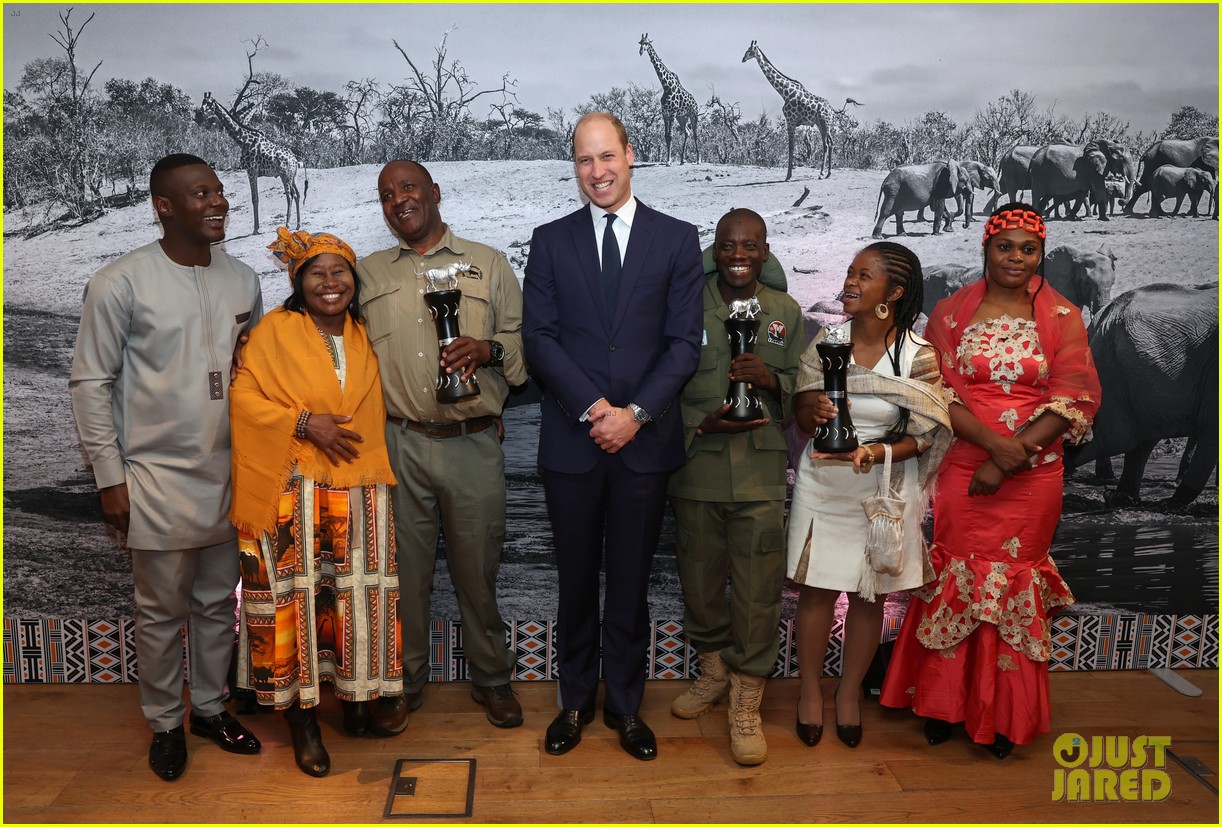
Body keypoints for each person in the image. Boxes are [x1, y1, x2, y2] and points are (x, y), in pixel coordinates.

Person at [880, 203, 1101, 759]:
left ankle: (1003, 713)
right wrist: (991, 446)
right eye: (1007, 247)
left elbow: (1074, 395)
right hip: (962, 467)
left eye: (1029, 249)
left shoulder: (1063, 317)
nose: (1017, 258)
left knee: (1012, 581)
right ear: (987, 248)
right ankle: (943, 704)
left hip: (1033, 475)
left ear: (1041, 254)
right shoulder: (951, 313)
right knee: (956, 572)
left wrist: (1009, 457)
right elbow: (938, 393)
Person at [68, 153, 263, 781]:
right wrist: (109, 478)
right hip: (152, 477)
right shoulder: (119, 282)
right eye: (200, 193)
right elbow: (90, 383)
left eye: (219, 191)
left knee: (215, 605)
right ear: (163, 206)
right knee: (159, 612)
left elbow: (254, 377)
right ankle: (163, 723)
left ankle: (207, 709)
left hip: (229, 475)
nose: (218, 202)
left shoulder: (243, 279)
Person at [523, 111, 704, 761]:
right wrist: (596, 407)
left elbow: (685, 345)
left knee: (629, 581)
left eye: (606, 156)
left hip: (645, 445)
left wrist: (635, 414)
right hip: (573, 445)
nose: (596, 171)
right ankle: (574, 700)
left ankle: (627, 705)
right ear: (574, 167)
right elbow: (538, 338)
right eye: (583, 160)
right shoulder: (549, 241)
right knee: (575, 579)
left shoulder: (679, 240)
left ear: (631, 155)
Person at [355, 159, 527, 734]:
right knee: (405, 575)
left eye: (407, 187)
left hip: (472, 444)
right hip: (398, 442)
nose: (397, 199)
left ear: (434, 191)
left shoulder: (490, 264)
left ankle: (492, 678)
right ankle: (403, 684)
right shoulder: (367, 274)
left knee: (479, 571)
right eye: (385, 194)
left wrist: (486, 350)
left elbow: (522, 356)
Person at [230, 228, 402, 777]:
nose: (330, 283)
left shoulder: (365, 332)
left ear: (354, 281)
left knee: (354, 595)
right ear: (297, 282)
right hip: (293, 489)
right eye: (316, 273)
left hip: (359, 485)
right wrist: (305, 424)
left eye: (339, 272)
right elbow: (243, 396)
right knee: (297, 600)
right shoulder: (273, 332)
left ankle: (355, 698)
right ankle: (301, 721)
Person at [787, 242, 951, 750]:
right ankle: (810, 693)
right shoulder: (824, 342)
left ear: (894, 293)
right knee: (815, 592)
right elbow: (802, 413)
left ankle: (849, 694)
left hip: (884, 488)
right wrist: (809, 412)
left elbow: (925, 434)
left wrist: (877, 453)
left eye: (864, 276)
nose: (850, 283)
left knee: (870, 596)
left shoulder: (918, 356)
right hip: (825, 484)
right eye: (850, 273)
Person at [667, 209, 803, 766]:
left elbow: (808, 392)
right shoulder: (683, 304)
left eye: (751, 246)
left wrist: (775, 380)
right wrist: (699, 424)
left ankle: (746, 698)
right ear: (714, 249)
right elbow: (661, 383)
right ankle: (713, 671)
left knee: (757, 590)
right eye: (729, 246)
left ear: (765, 251)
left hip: (760, 474)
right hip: (696, 466)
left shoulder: (786, 313)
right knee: (698, 581)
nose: (739, 255)